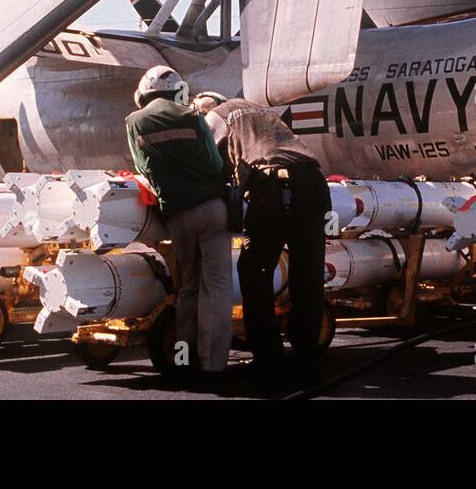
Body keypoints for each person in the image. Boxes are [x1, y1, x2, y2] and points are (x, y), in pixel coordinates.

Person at [201, 95, 331, 385]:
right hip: (314, 182)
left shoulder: (216, 117)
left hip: (273, 186)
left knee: (254, 273)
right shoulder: (260, 111)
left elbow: (207, 163)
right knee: (307, 276)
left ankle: (268, 361)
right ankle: (307, 360)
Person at [125, 66, 232, 391]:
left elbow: (141, 166)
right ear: (176, 92)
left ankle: (183, 360)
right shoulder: (192, 116)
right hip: (212, 210)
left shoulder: (134, 122)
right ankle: (212, 366)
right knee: (217, 287)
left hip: (177, 215)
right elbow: (215, 165)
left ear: (143, 94)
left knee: (188, 287)